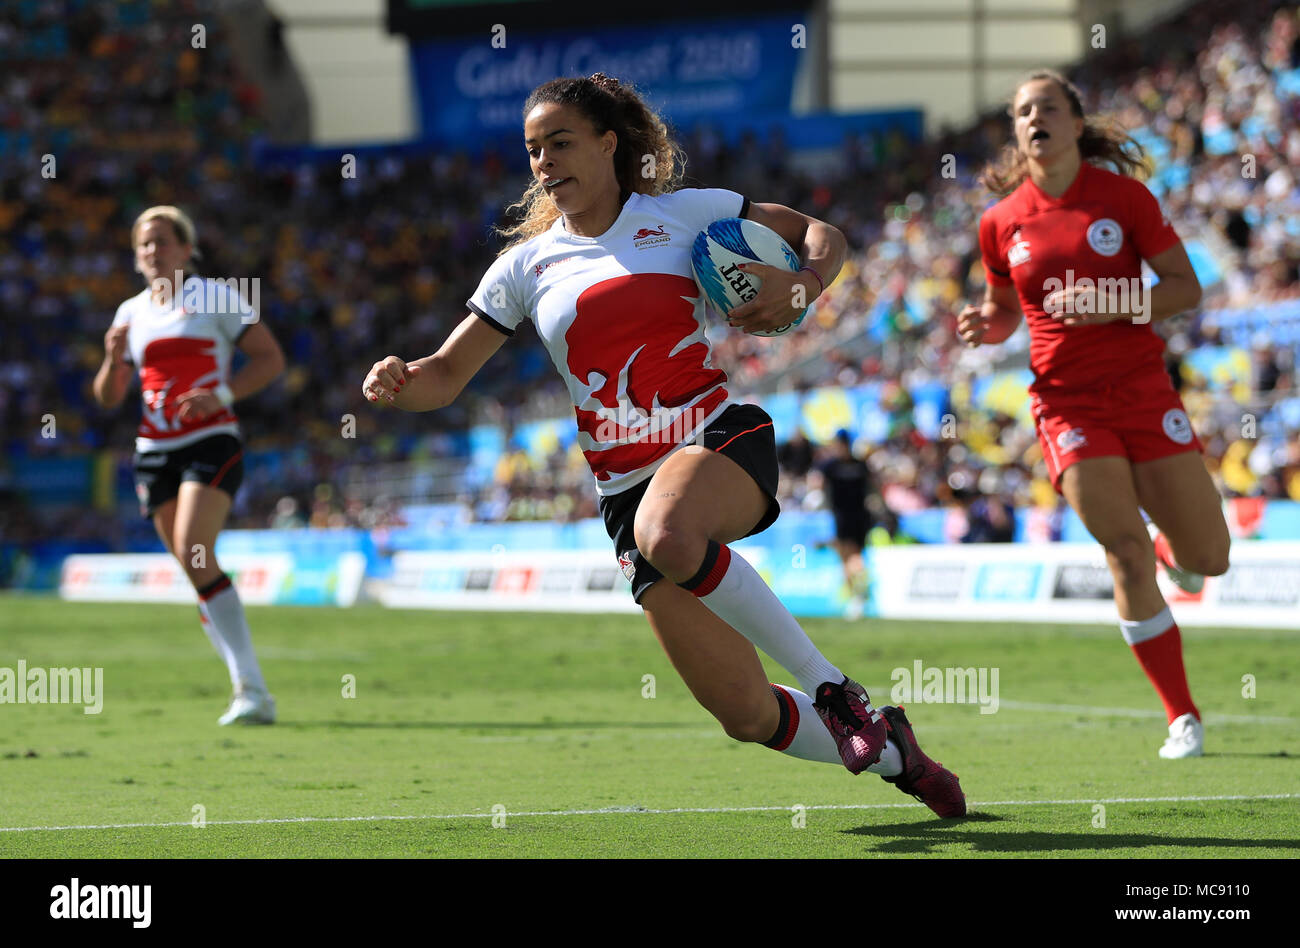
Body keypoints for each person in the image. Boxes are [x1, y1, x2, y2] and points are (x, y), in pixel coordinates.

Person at [363, 73, 965, 816]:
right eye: (532, 151)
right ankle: (897, 755)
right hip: (623, 495)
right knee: (743, 714)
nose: (544, 163)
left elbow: (822, 238)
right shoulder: (525, 266)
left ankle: (834, 689)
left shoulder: (688, 214)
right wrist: (399, 379)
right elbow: (445, 377)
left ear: (609, 144)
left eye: (560, 143)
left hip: (716, 439)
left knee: (669, 532)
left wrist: (803, 286)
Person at [957, 70, 1231, 758]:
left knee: (1210, 558)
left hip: (1143, 390)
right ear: (1018, 133)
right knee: (1125, 554)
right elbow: (1000, 315)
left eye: (1047, 107)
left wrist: (1112, 303)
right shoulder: (999, 223)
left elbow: (1185, 289)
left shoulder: (1126, 199)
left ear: (1076, 124)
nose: (1033, 118)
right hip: (1065, 402)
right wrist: (981, 328)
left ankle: (1179, 553)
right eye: (1022, 111)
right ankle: (1182, 717)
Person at [93, 206, 286, 725]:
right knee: (194, 566)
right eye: (144, 245)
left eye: (162, 241)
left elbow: (270, 359)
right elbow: (109, 397)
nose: (153, 251)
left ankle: (252, 690)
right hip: (154, 452)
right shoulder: (129, 313)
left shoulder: (217, 297)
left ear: (186, 248)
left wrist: (219, 393)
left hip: (210, 441)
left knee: (194, 551)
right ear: (136, 257)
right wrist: (113, 360)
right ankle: (247, 689)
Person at [816, 429, 875, 619]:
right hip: (861, 516)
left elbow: (818, 485)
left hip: (845, 517)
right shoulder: (860, 465)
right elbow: (873, 488)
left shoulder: (831, 466)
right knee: (851, 555)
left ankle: (859, 593)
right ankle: (856, 596)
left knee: (848, 556)